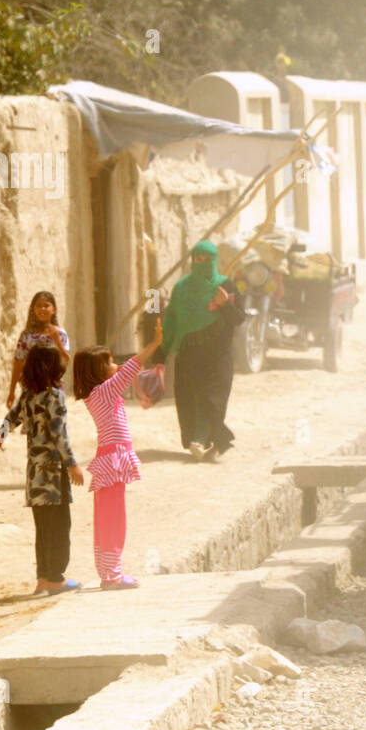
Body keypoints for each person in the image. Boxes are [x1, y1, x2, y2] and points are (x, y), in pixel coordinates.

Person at [72, 318, 164, 590]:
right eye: (110, 362)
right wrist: (155, 344)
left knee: (106, 520)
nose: (116, 365)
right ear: (99, 370)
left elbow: (128, 370)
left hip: (107, 460)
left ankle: (108, 573)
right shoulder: (106, 391)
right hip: (112, 462)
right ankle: (112, 576)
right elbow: (133, 366)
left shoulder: (98, 393)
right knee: (114, 521)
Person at [0, 345, 85, 596]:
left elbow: (10, 419)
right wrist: (73, 464)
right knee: (59, 526)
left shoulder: (28, 396)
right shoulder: (54, 396)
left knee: (44, 528)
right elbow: (59, 434)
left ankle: (44, 578)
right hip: (54, 473)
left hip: (35, 473)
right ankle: (56, 578)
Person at [157, 240, 242, 461]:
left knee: (211, 399)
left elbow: (238, 319)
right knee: (189, 399)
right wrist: (161, 351)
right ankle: (215, 443)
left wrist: (225, 304)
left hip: (217, 356)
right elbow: (172, 321)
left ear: (214, 261)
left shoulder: (226, 286)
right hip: (189, 353)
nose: (202, 263)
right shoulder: (181, 288)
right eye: (198, 259)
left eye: (207, 259)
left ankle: (201, 439)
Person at [7, 291, 70, 407]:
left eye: (46, 305)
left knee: (54, 423)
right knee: (32, 423)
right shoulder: (27, 336)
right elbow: (18, 363)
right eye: (38, 306)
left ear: (54, 309)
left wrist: (57, 341)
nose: (42, 309)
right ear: (33, 309)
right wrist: (11, 392)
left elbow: (66, 361)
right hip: (30, 389)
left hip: (54, 389)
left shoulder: (60, 334)